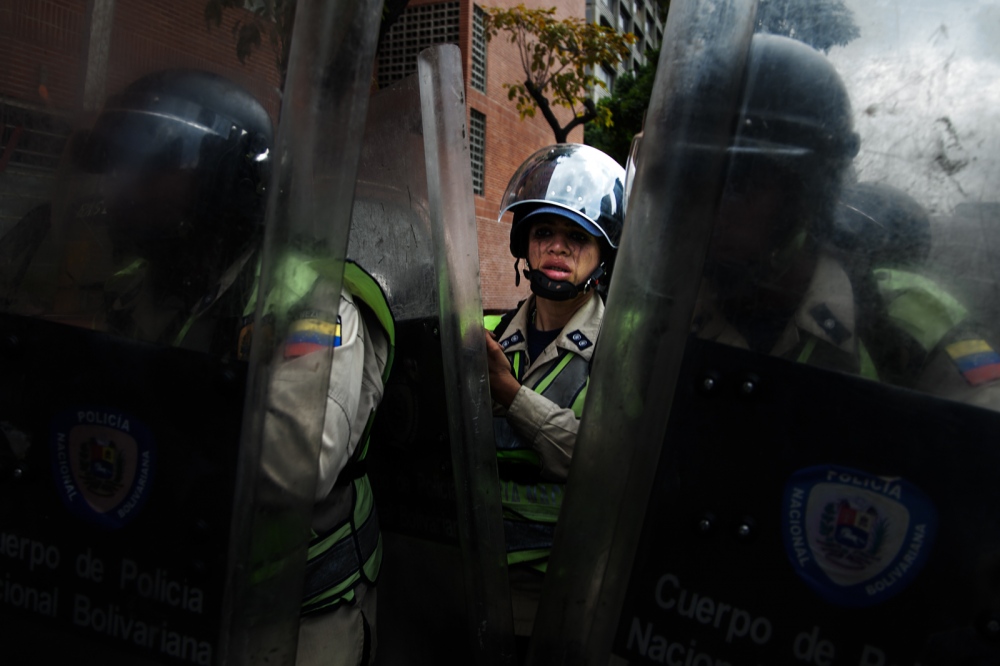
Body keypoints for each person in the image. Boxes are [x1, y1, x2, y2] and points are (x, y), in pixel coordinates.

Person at [686, 33, 1000, 407]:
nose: (708, 206)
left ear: (804, 195)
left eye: (738, 182)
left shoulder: (903, 320)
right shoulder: (665, 305)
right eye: (693, 177)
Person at [0, 68, 273, 356]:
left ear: (221, 184)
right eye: (121, 167)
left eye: (154, 165)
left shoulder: (294, 302)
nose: (124, 185)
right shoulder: (134, 282)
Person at [484, 142, 625, 634]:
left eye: (577, 235)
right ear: (523, 244)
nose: (558, 247)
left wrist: (511, 394)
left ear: (603, 253)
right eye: (544, 231)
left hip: (565, 592)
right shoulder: (486, 333)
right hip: (479, 579)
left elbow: (603, 467)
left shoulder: (623, 350)